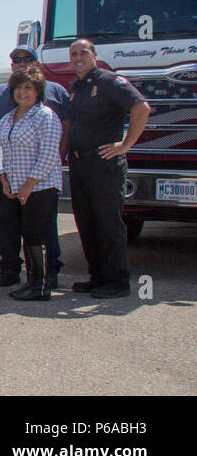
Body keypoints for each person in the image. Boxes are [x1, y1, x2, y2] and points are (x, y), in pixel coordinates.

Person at [0, 44, 70, 288]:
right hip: (7, 177)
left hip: (39, 181)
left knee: (42, 229)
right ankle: (9, 269)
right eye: (16, 59)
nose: (21, 62)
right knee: (6, 224)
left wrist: (53, 161)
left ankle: (48, 275)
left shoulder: (54, 97)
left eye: (27, 58)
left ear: (37, 63)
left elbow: (65, 128)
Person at [64, 38, 150, 299]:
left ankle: (117, 280)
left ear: (94, 54)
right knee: (86, 221)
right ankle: (98, 276)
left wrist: (125, 145)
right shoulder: (77, 87)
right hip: (79, 163)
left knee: (108, 222)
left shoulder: (110, 81)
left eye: (83, 52)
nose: (78, 57)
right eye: (74, 54)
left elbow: (141, 108)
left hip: (103, 163)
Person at [0, 68, 63, 301]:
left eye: (28, 88)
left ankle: (41, 286)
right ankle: (32, 281)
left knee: (37, 235)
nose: (22, 93)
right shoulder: (5, 120)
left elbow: (49, 154)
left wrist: (29, 185)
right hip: (14, 188)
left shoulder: (46, 116)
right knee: (26, 234)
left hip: (40, 187)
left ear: (37, 92)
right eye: (18, 88)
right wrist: (2, 179)